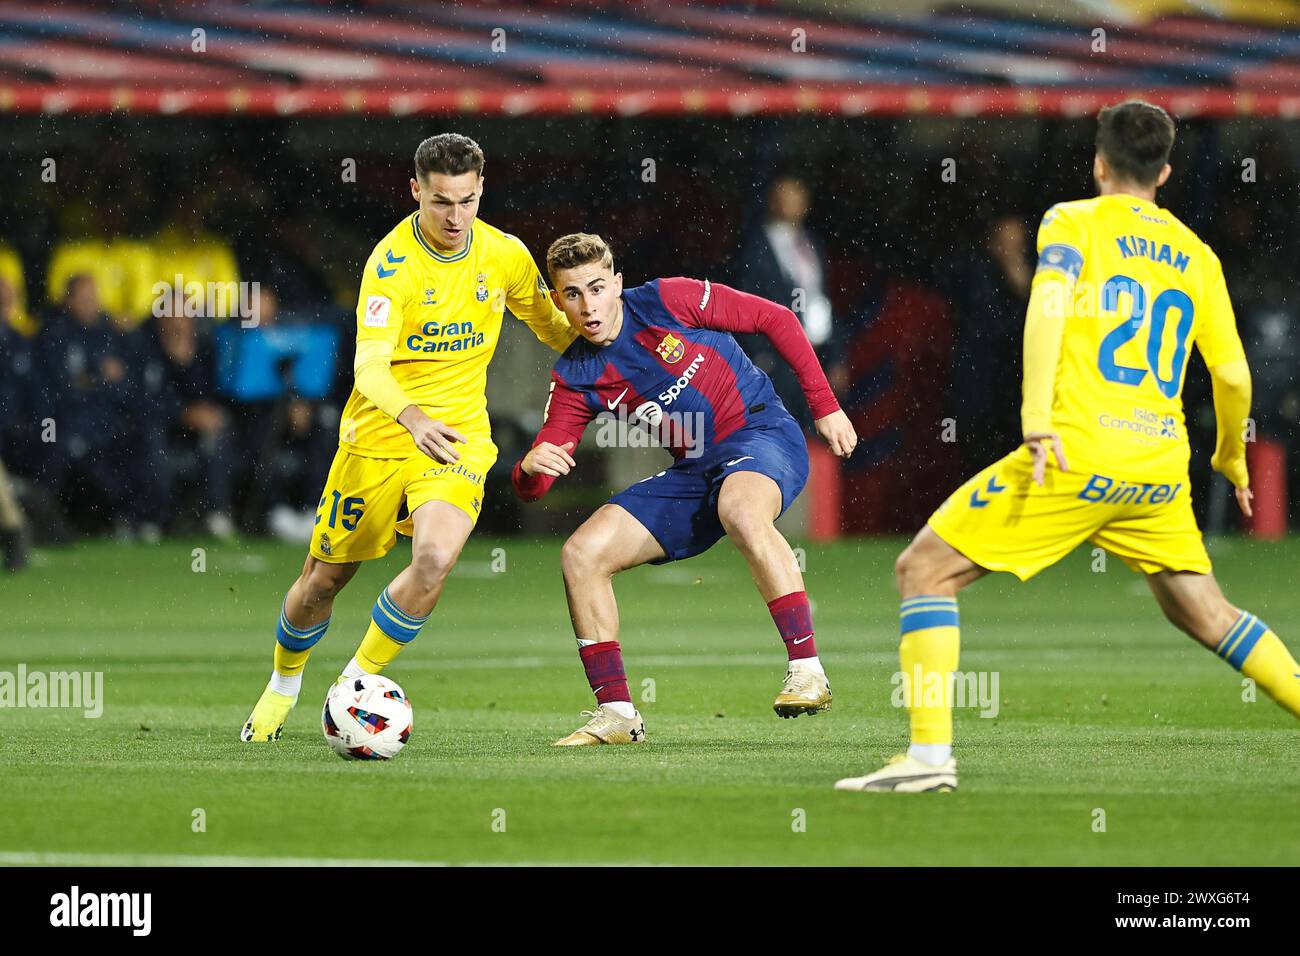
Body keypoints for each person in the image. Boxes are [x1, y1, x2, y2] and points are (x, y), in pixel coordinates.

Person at [835, 101, 1300, 794]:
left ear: (1099, 163)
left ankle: (928, 760)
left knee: (923, 570)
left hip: (1077, 450)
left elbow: (1047, 310)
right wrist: (1231, 455)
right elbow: (1232, 373)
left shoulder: (1071, 222)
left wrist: (1035, 416)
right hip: (1158, 468)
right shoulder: (1197, 256)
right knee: (1207, 613)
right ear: (1164, 173)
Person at [240, 133, 576, 741]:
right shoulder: (390, 264)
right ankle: (281, 686)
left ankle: (351, 689)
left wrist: (622, 336)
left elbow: (553, 327)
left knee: (435, 558)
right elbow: (368, 367)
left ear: (481, 189)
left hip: (457, 440)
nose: (455, 216)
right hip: (378, 437)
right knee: (323, 581)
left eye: (467, 200)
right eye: (441, 201)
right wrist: (413, 419)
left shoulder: (504, 255)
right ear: (416, 190)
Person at [512, 233, 857, 746]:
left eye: (597, 288)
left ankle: (808, 670)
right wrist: (528, 468)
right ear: (558, 302)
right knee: (581, 554)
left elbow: (777, 319)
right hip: (695, 471)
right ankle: (617, 713)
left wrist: (825, 406)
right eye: (572, 294)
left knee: (741, 509)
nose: (588, 305)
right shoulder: (576, 376)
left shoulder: (666, 300)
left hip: (760, 432)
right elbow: (536, 484)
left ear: (617, 284)